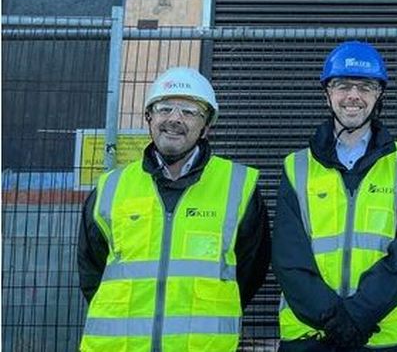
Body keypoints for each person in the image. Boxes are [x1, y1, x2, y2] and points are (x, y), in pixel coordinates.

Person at [77, 66, 271, 352]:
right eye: (165, 108)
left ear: (207, 126)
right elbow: (91, 270)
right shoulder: (111, 188)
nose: (174, 119)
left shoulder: (238, 187)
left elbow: (250, 270)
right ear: (149, 117)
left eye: (189, 111)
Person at [272, 41, 397, 351]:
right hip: (311, 336)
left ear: (379, 94)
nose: (354, 96)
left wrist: (357, 315)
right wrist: (333, 319)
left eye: (366, 86)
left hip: (387, 336)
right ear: (327, 93)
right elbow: (289, 257)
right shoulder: (297, 167)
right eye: (343, 85)